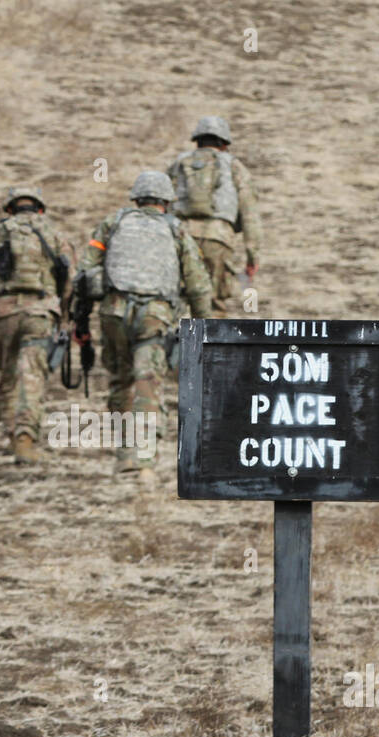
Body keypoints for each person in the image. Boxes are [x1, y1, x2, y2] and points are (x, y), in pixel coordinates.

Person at [74, 172, 212, 479]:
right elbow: (198, 282)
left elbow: (85, 273)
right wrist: (205, 330)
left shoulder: (112, 224)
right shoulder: (177, 230)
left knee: (121, 381)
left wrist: (79, 320)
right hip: (154, 316)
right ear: (166, 202)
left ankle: (125, 457)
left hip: (113, 314)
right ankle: (145, 460)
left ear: (136, 198)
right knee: (147, 384)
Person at [0, 186, 75, 464]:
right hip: (39, 315)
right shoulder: (56, 236)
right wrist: (68, 320)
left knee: (9, 378)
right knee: (31, 378)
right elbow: (72, 281)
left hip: (1, 316)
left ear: (10, 209)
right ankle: (25, 439)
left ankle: (13, 434)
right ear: (40, 209)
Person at [167, 116, 263, 315]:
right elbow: (249, 214)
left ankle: (177, 345)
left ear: (198, 140)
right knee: (214, 303)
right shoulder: (234, 166)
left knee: (176, 300)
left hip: (181, 238)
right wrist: (252, 256)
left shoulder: (179, 163)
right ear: (224, 143)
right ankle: (211, 346)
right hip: (218, 241)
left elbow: (162, 203)